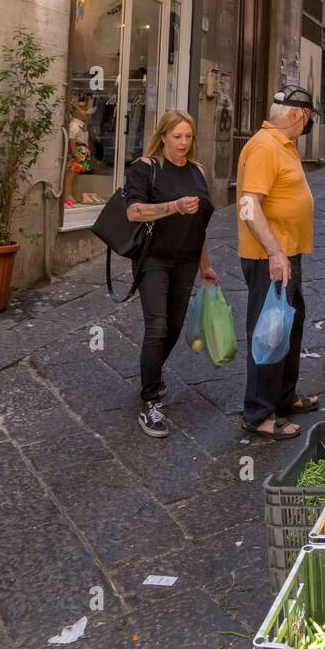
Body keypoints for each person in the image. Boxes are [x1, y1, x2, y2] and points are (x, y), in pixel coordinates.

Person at [124, 110, 216, 439]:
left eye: (188, 137)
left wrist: (206, 266)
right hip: (154, 259)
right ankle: (150, 401)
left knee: (175, 327)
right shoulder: (146, 168)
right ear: (162, 137)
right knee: (157, 327)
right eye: (176, 136)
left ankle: (152, 374)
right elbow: (134, 211)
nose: (182, 143)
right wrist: (174, 206)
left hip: (186, 260)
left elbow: (200, 223)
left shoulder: (198, 171)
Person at [237, 88, 319, 441]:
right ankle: (259, 414)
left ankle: (283, 398)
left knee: (289, 326)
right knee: (268, 334)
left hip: (287, 254)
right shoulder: (264, 146)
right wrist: (273, 251)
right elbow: (248, 204)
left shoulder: (282, 145)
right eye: (310, 117)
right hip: (270, 258)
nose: (310, 123)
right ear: (298, 115)